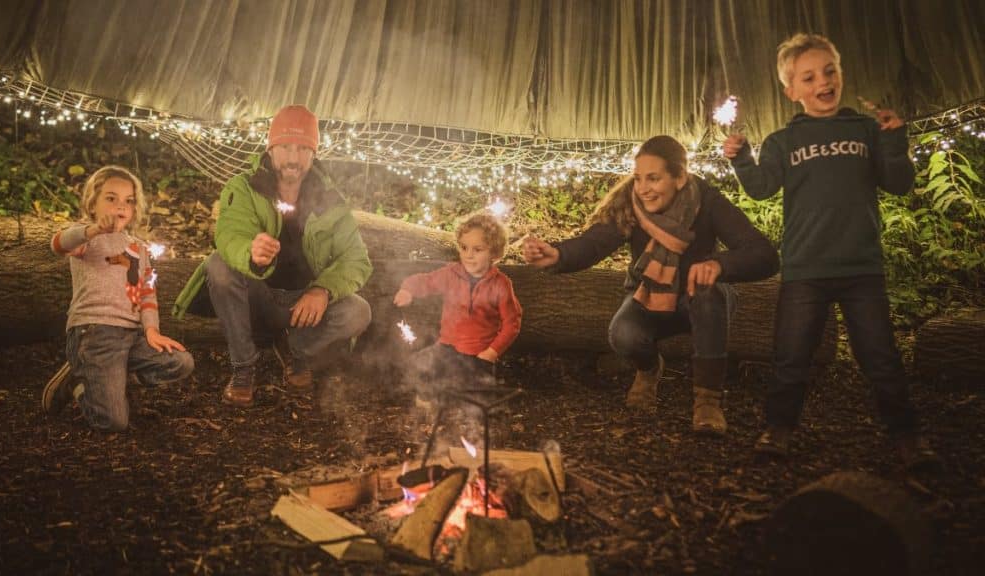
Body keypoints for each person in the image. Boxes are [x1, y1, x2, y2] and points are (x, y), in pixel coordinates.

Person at [723, 33, 938, 468]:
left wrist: (896, 141)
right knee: (791, 356)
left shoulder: (864, 129)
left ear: (839, 74)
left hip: (862, 268)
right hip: (805, 270)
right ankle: (778, 431)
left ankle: (907, 439)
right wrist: (741, 158)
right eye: (809, 76)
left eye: (829, 71)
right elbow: (762, 189)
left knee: (881, 357)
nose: (823, 81)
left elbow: (899, 183)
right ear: (792, 90)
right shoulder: (784, 141)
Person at [523, 136, 778, 435]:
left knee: (708, 296)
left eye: (654, 178)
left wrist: (720, 264)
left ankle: (708, 402)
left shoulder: (707, 201)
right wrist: (558, 254)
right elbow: (596, 242)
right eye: (638, 178)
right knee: (623, 334)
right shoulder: (632, 205)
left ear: (680, 177)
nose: (643, 188)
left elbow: (764, 255)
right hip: (650, 298)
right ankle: (648, 370)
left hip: (701, 300)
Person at [173, 105, 372, 408]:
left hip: (302, 305)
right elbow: (228, 236)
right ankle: (243, 367)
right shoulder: (245, 187)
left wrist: (323, 289)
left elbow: (357, 260)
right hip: (259, 296)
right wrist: (250, 252)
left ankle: (296, 350)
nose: (293, 158)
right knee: (218, 265)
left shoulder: (331, 200)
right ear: (270, 148)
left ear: (313, 154)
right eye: (285, 147)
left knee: (358, 311)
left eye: (303, 148)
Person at [41, 166, 194, 431]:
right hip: (94, 334)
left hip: (132, 336)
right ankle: (79, 384)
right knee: (113, 422)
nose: (120, 206)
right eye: (111, 198)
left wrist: (151, 330)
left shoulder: (139, 248)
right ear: (93, 202)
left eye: (128, 201)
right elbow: (58, 244)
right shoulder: (87, 238)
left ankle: (106, 372)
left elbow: (147, 292)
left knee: (181, 361)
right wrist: (92, 230)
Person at [394, 213, 522, 412]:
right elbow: (426, 281)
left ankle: (471, 418)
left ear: (494, 253)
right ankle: (428, 407)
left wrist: (492, 352)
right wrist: (408, 289)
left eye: (477, 249)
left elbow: (512, 324)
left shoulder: (500, 285)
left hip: (478, 354)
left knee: (475, 403)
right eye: (464, 248)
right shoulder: (451, 274)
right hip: (447, 347)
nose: (468, 255)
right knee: (419, 365)